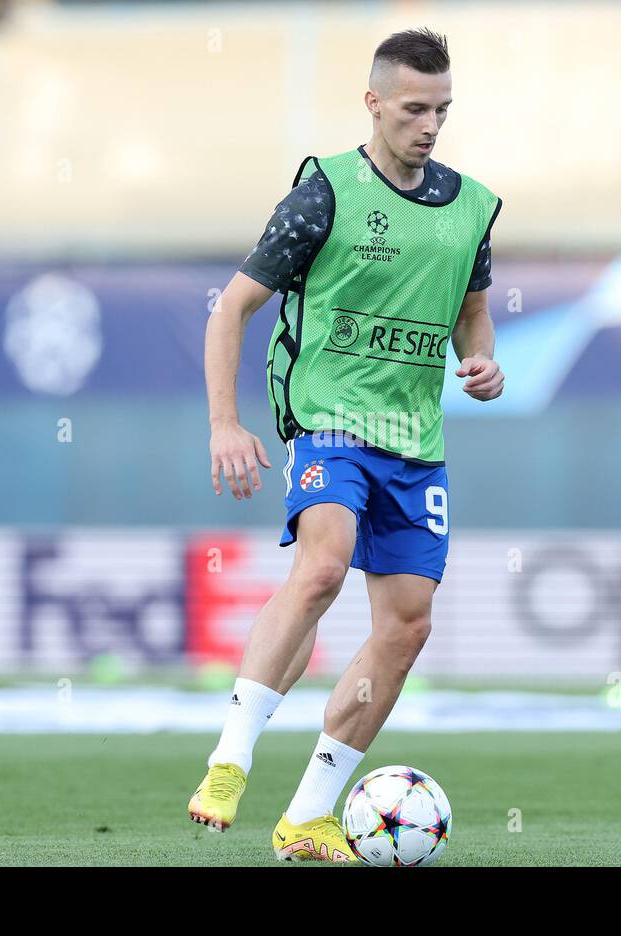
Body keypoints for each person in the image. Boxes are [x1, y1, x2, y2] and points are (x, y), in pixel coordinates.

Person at [190, 27, 503, 862]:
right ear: (373, 104)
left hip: (416, 441)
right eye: (413, 109)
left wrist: (483, 361)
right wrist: (226, 423)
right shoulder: (324, 192)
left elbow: (473, 312)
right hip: (331, 420)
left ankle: (309, 814)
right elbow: (231, 308)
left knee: (407, 627)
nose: (430, 125)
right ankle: (229, 759)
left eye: (442, 110)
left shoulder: (472, 206)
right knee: (323, 566)